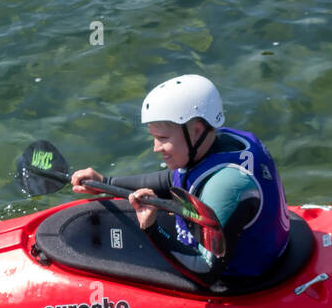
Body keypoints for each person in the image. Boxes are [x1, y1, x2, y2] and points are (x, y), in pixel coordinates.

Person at [70, 74, 291, 288]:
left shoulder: (226, 186)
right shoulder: (219, 140)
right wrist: (106, 182)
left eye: (163, 138)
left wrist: (152, 228)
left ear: (196, 130)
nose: (156, 148)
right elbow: (173, 180)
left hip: (236, 280)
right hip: (232, 243)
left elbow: (206, 273)